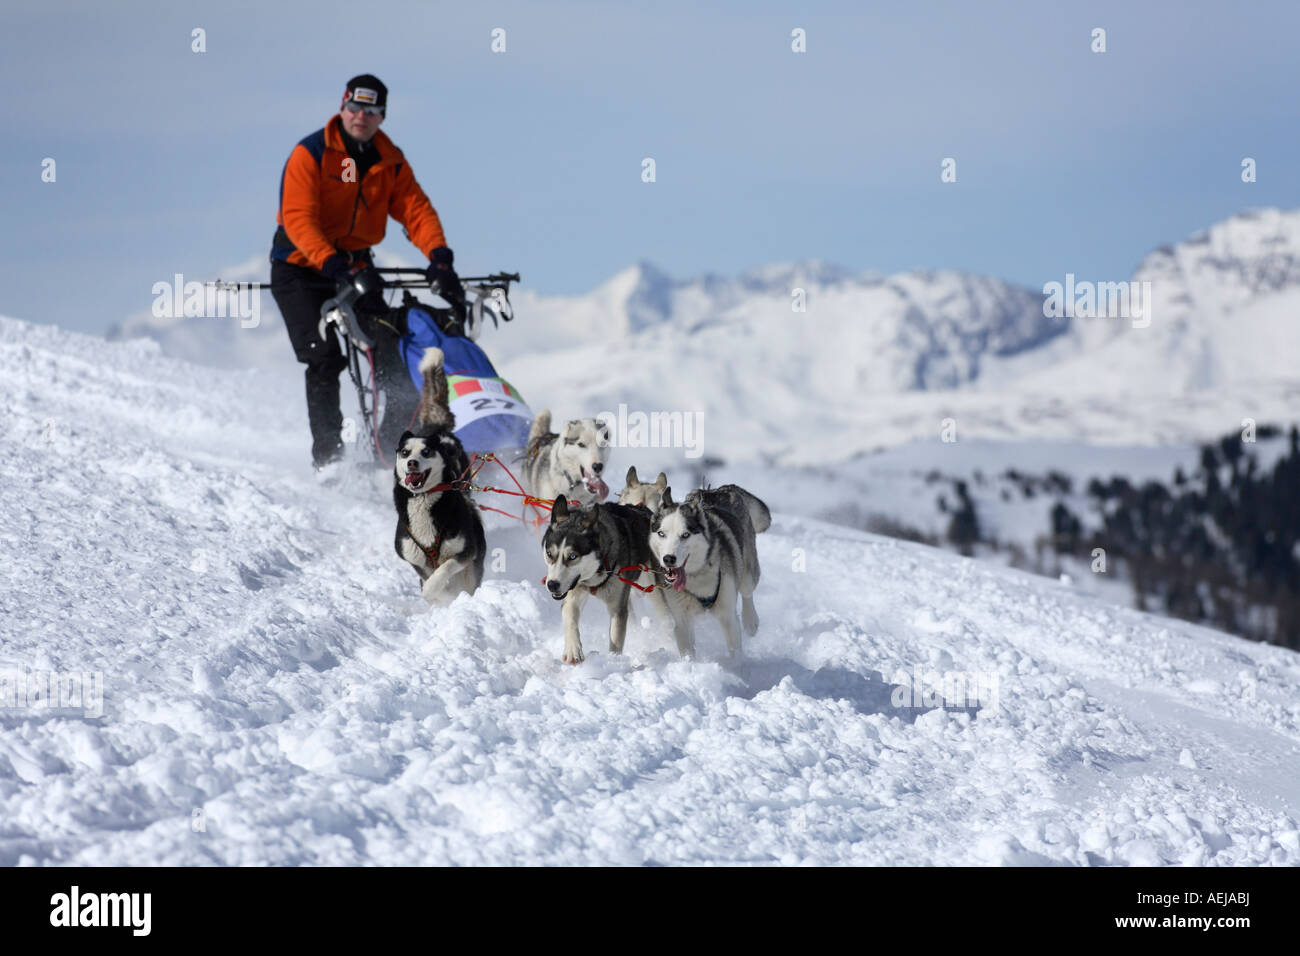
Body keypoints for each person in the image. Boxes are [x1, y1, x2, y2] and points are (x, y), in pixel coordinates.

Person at [269, 74, 466, 469]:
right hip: (301, 269)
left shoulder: (387, 161)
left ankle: (393, 451)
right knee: (324, 359)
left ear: (382, 117)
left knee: (391, 347)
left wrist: (440, 258)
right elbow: (298, 219)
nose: (361, 116)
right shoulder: (313, 154)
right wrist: (335, 265)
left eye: (372, 111)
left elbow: (415, 210)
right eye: (355, 108)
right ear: (342, 107)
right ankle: (330, 459)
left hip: (356, 266)